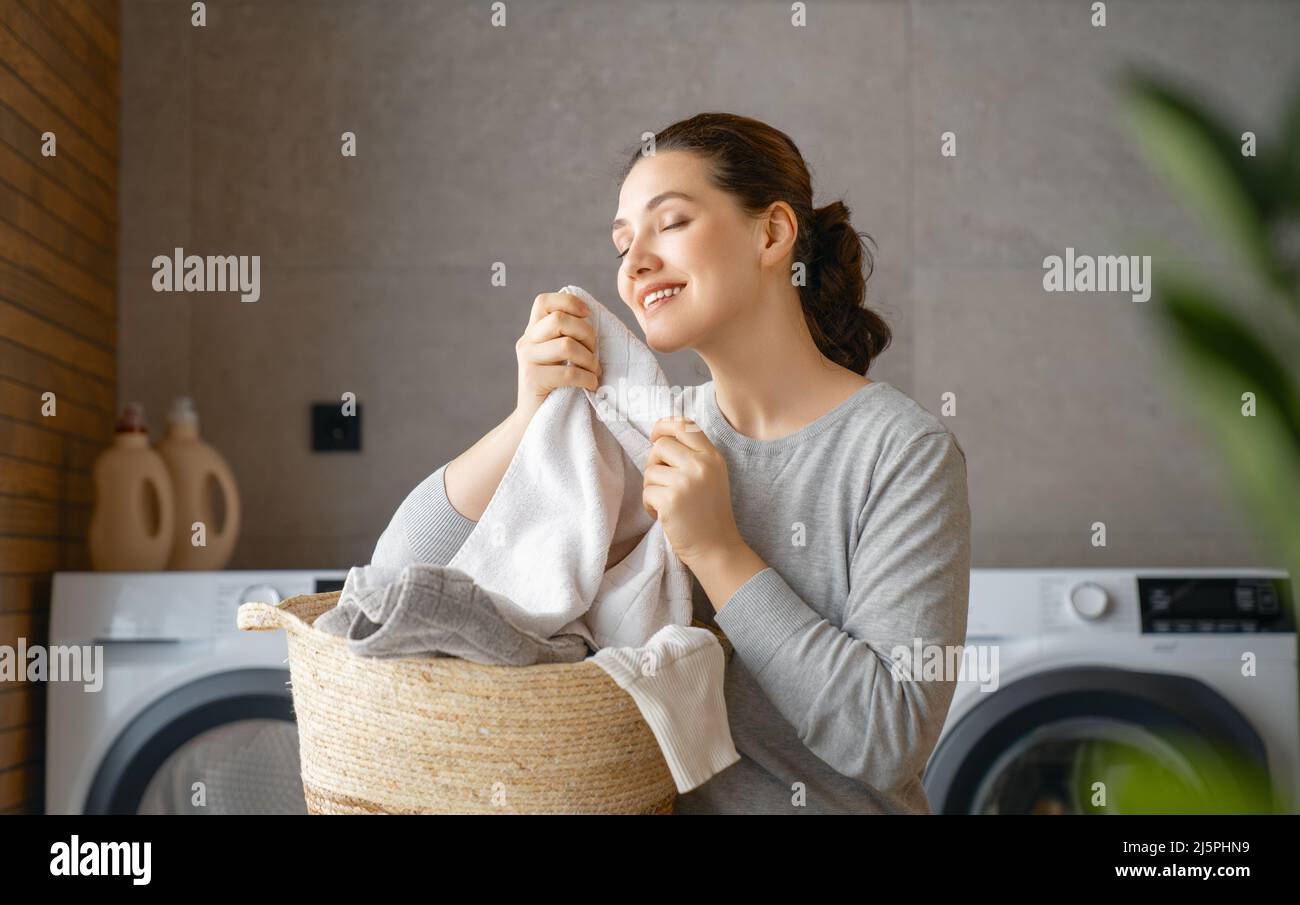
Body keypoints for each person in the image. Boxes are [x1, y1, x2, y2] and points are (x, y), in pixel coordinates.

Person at [382, 112, 971, 814]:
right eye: (623, 242)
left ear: (773, 233)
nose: (633, 264)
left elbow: (889, 735)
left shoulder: (899, 451)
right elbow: (396, 582)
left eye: (670, 223)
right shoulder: (647, 431)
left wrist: (718, 551)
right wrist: (527, 419)